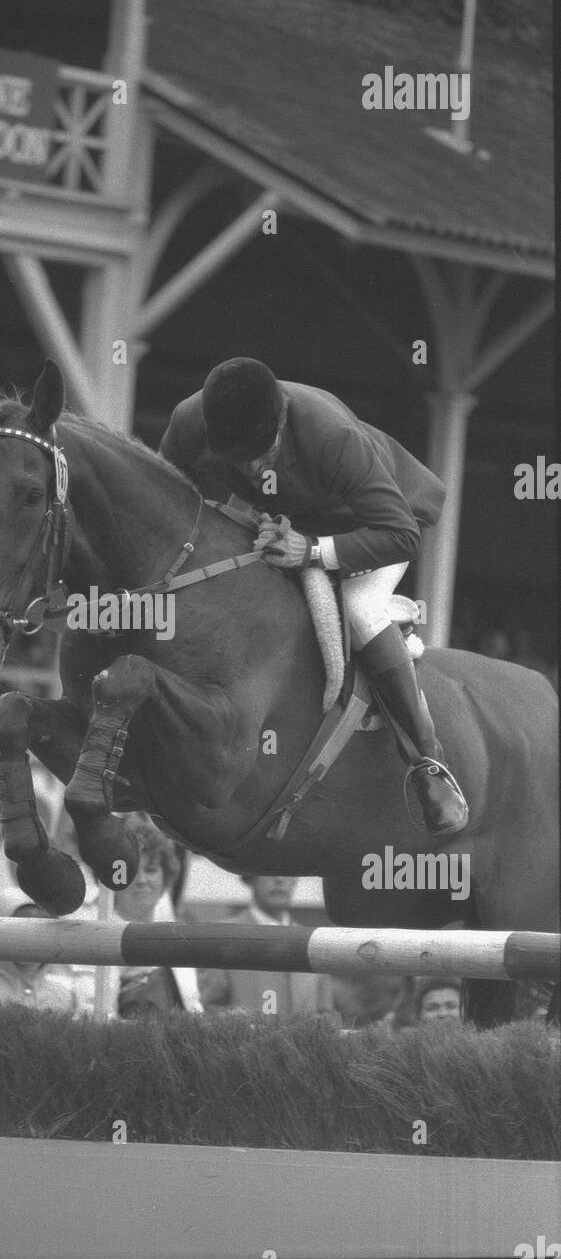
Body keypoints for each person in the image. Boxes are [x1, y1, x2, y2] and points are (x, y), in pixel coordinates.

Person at [160, 358, 468, 836]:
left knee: (362, 610)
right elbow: (170, 499)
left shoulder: (331, 435)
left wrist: (315, 551)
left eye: (263, 454)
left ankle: (429, 763)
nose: (253, 467)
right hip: (291, 518)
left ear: (281, 417)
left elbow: (402, 536)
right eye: (239, 460)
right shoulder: (189, 424)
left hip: (378, 524)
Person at [197, 873, 332, 1018]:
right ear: (251, 876)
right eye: (269, 870)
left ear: (295, 879)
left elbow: (327, 1017)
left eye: (289, 870)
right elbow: (210, 1013)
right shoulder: (222, 936)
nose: (280, 879)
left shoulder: (314, 942)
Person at [112, 811, 202, 1018]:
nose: (142, 880)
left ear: (166, 877)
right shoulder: (96, 936)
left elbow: (195, 1009)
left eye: (151, 870)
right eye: (132, 872)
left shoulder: (179, 939)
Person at [0, 887, 78, 1012]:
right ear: (1, 932)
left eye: (40, 931)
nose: (30, 939)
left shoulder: (63, 996)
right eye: (20, 929)